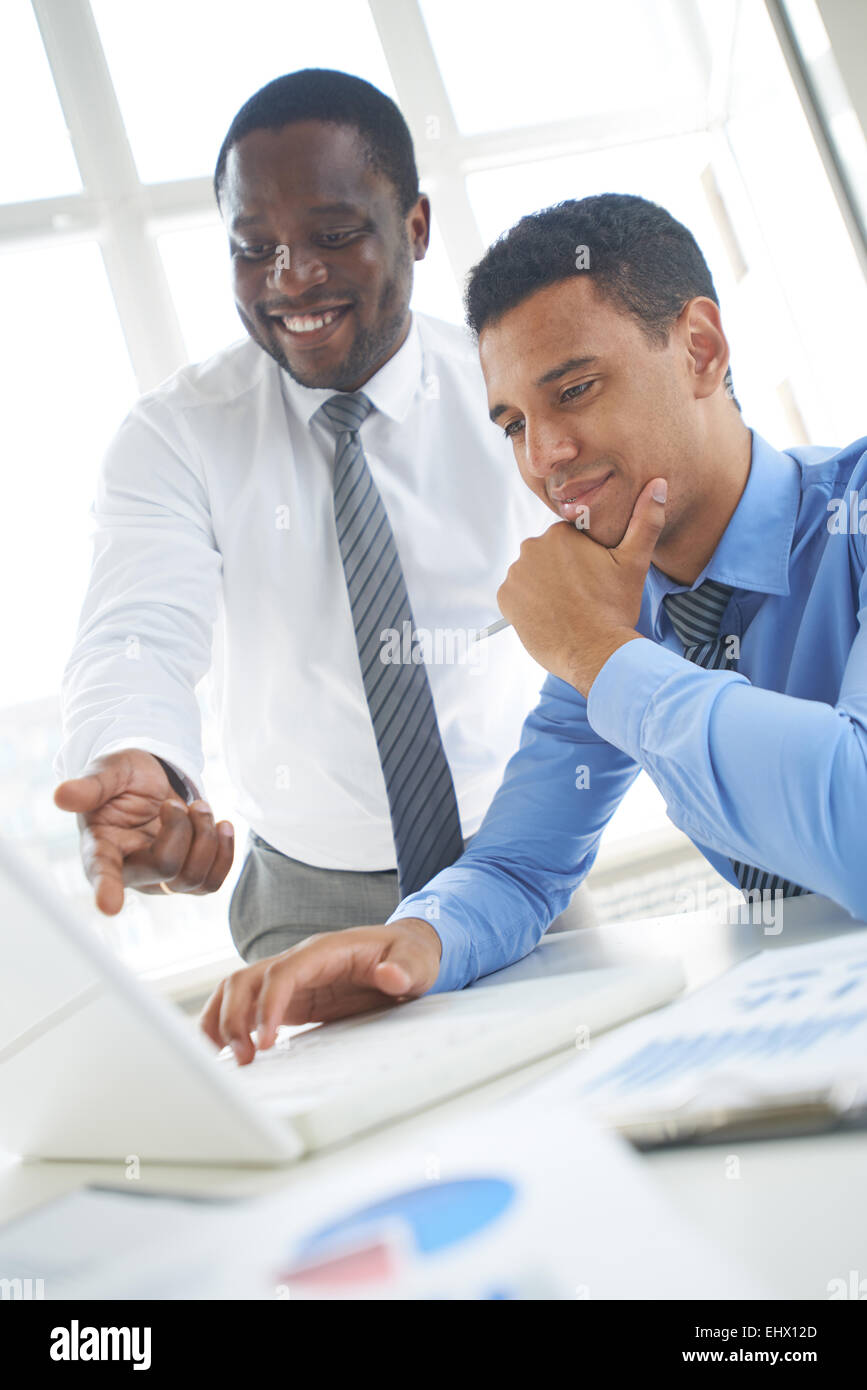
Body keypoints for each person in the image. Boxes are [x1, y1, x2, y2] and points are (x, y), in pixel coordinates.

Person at [201, 192, 867, 1064]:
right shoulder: (616, 611)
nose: (543, 457)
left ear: (699, 350)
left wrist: (598, 653)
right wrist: (415, 943)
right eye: (514, 423)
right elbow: (518, 865)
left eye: (576, 390)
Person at [51, 70, 594, 963]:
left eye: (332, 237)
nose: (290, 279)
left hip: (517, 864)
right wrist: (137, 757)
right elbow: (136, 632)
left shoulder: (508, 398)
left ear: (414, 229)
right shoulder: (175, 436)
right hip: (307, 896)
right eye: (251, 247)